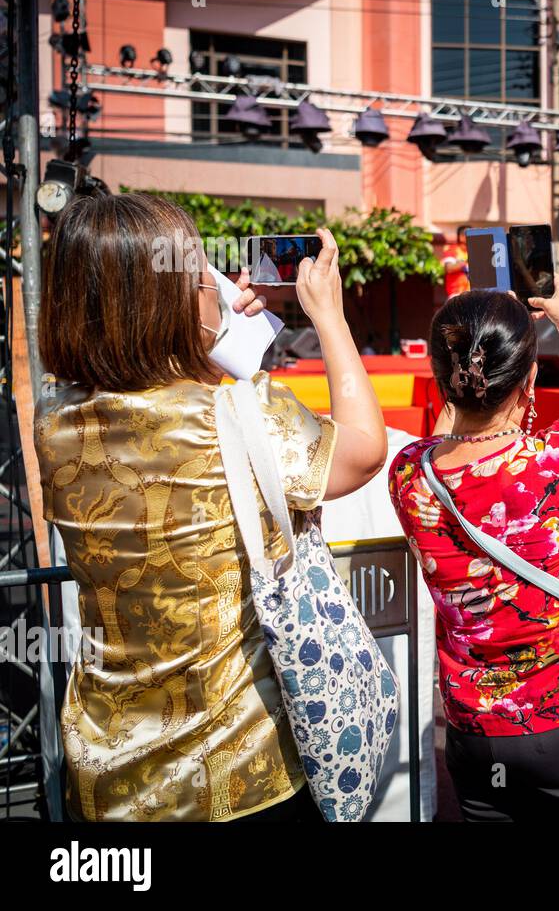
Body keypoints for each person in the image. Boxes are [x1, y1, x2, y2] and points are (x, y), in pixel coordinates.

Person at [35, 194, 388, 821]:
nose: (216, 286)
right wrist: (329, 318)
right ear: (168, 303)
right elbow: (363, 452)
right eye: (202, 275)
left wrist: (214, 334)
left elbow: (151, 386)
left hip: (107, 778)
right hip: (238, 773)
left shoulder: (54, 425)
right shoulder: (237, 410)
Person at [387, 275, 559, 822]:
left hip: (479, 733)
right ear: (530, 379)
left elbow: (445, 437)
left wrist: (470, 353)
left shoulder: (410, 474)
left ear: (443, 379)